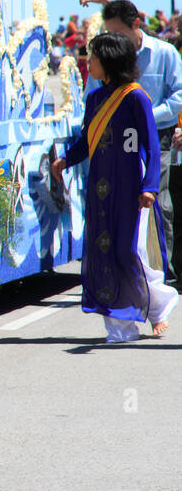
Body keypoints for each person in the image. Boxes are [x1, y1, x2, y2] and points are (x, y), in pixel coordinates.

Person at [52, 33, 178, 340]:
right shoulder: (95, 99)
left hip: (131, 188)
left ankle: (157, 304)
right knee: (105, 252)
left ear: (108, 62)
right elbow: (86, 141)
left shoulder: (136, 97)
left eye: (93, 58)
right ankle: (121, 326)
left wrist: (149, 187)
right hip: (99, 188)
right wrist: (66, 160)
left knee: (127, 252)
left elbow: (149, 143)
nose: (88, 63)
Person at [77, 0, 182, 284]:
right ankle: (122, 273)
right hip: (116, 144)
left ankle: (160, 273)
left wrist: (147, 114)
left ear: (136, 24)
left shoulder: (164, 53)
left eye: (119, 32)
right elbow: (91, 100)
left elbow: (178, 95)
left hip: (156, 136)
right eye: (110, 33)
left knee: (155, 202)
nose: (115, 39)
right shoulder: (107, 59)